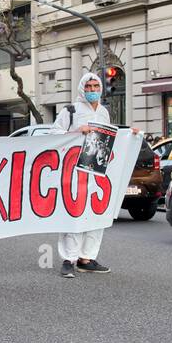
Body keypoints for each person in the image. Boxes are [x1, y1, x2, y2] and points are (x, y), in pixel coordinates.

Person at [58, 71, 113, 279]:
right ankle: (68, 259)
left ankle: (86, 258)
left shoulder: (104, 112)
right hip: (73, 170)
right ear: (82, 88)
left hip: (97, 171)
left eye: (95, 87)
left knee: (96, 214)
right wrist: (76, 132)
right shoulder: (70, 111)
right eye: (88, 87)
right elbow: (54, 134)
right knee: (73, 212)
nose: (92, 91)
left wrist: (132, 135)